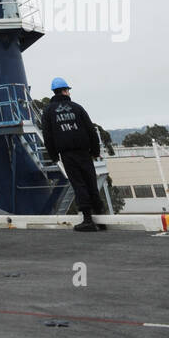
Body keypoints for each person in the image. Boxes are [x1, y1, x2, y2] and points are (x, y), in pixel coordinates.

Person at [41, 77, 107, 233]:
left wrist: (54, 156)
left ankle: (88, 219)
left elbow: (48, 136)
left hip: (67, 155)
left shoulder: (48, 111)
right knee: (91, 183)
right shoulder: (77, 108)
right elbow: (90, 130)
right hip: (85, 152)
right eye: (68, 90)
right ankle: (101, 219)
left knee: (79, 185)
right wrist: (95, 151)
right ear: (65, 91)